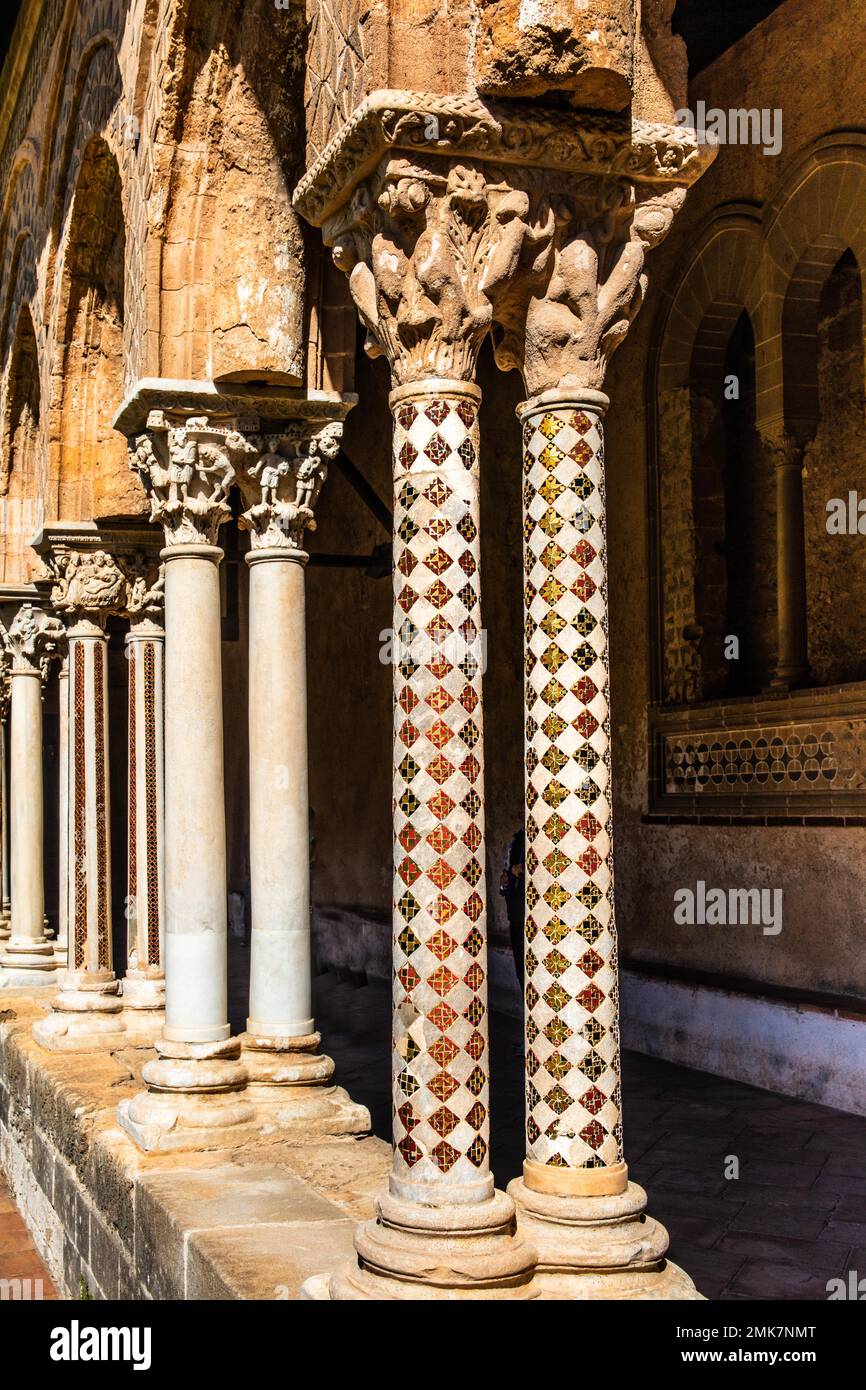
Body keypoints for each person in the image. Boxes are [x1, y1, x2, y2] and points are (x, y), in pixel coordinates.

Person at [499, 827, 526, 992]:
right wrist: (505, 881)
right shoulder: (515, 842)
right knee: (521, 969)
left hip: (538, 919)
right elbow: (504, 885)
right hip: (516, 916)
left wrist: (523, 868)